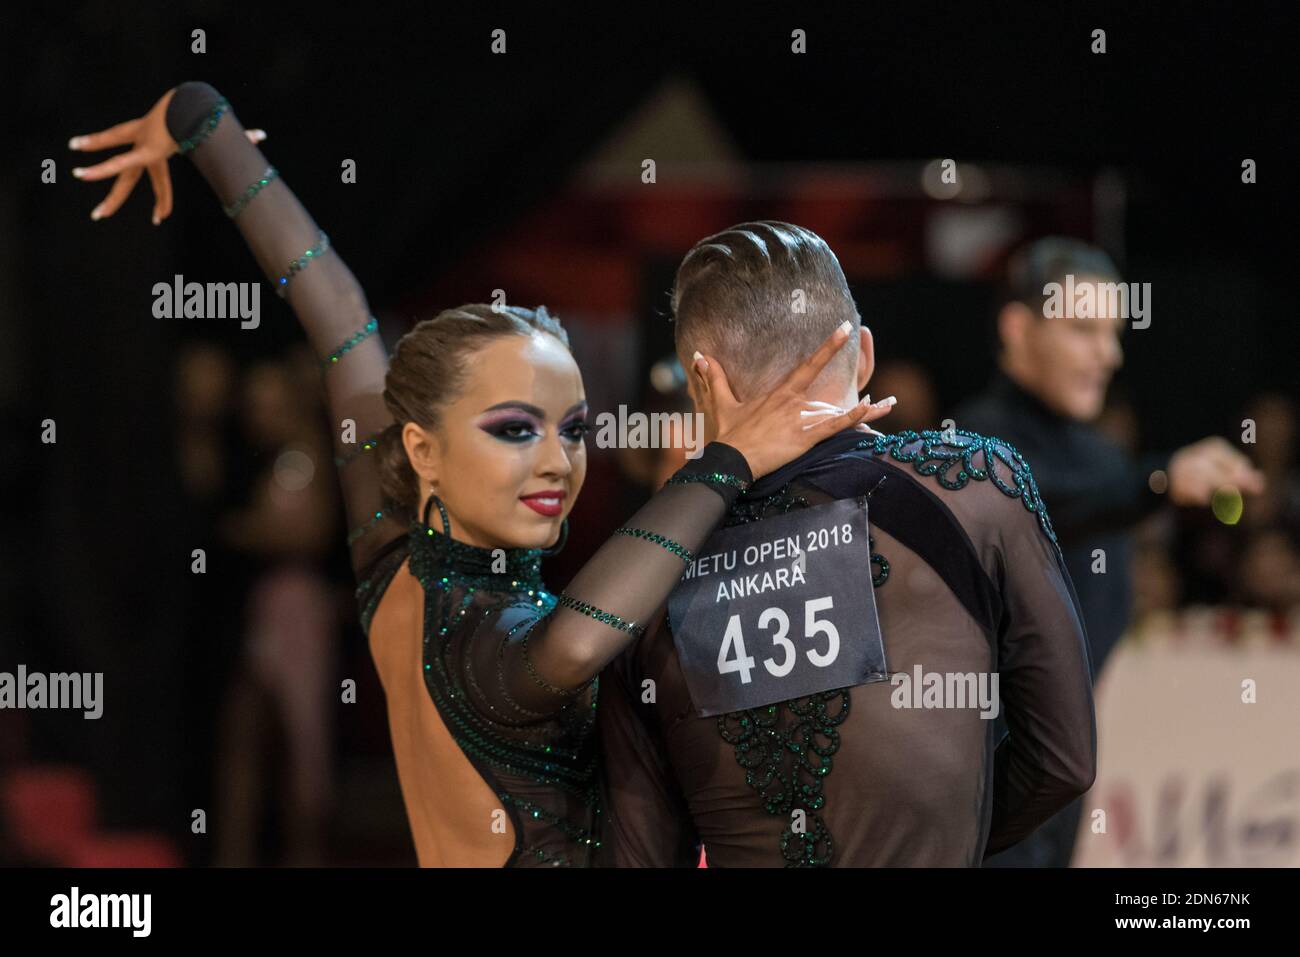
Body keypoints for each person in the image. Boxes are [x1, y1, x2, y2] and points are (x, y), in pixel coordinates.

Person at [69, 84, 892, 867]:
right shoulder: (478, 632)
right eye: (512, 430)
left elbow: (333, 309)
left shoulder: (389, 551)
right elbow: (573, 641)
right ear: (423, 448)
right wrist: (731, 457)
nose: (554, 461)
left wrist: (200, 120)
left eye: (572, 430)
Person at [598, 221, 1097, 866]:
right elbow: (1065, 761)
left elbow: (640, 855)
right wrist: (945, 838)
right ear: (863, 356)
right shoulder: (974, 488)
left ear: (701, 387)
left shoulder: (638, 584)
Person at [952, 236, 1266, 867]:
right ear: (1017, 328)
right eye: (1083, 330)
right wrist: (1159, 481)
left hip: (1063, 784)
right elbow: (1042, 502)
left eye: (1114, 332)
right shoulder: (966, 448)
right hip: (978, 784)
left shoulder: (1102, 460)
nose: (1109, 354)